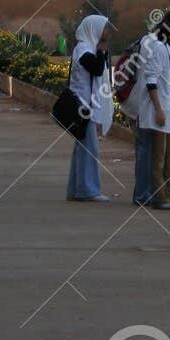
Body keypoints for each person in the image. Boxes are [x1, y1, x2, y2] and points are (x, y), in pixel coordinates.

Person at [132, 11, 170, 209]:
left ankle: (169, 193)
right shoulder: (157, 47)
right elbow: (151, 80)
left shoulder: (169, 49)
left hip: (168, 108)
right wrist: (158, 110)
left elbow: (169, 76)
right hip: (158, 110)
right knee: (157, 155)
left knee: (168, 153)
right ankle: (157, 196)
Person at [66, 14, 114, 203]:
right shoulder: (83, 49)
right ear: (94, 28)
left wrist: (101, 51)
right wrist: (101, 52)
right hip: (83, 106)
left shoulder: (87, 48)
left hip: (87, 105)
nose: (107, 32)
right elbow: (96, 69)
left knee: (83, 147)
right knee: (89, 148)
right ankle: (88, 190)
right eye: (104, 28)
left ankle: (77, 189)